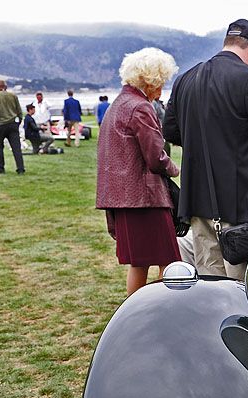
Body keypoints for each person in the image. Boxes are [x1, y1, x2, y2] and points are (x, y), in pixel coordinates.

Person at [162, 18, 248, 279]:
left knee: (210, 283)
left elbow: (171, 131)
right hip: (244, 199)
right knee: (246, 286)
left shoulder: (186, 78)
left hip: (198, 197)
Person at [96, 48, 181, 295]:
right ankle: (162, 312)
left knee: (139, 262)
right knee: (168, 260)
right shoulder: (141, 108)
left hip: (123, 199)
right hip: (145, 200)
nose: (161, 89)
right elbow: (156, 157)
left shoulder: (117, 105)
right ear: (150, 80)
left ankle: (135, 314)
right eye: (161, 82)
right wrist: (174, 169)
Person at [0, 80, 25, 174]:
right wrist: (18, 122)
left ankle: (1, 169)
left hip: (1, 125)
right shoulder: (13, 96)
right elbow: (19, 111)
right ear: (5, 86)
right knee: (16, 148)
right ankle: (20, 168)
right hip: (12, 124)